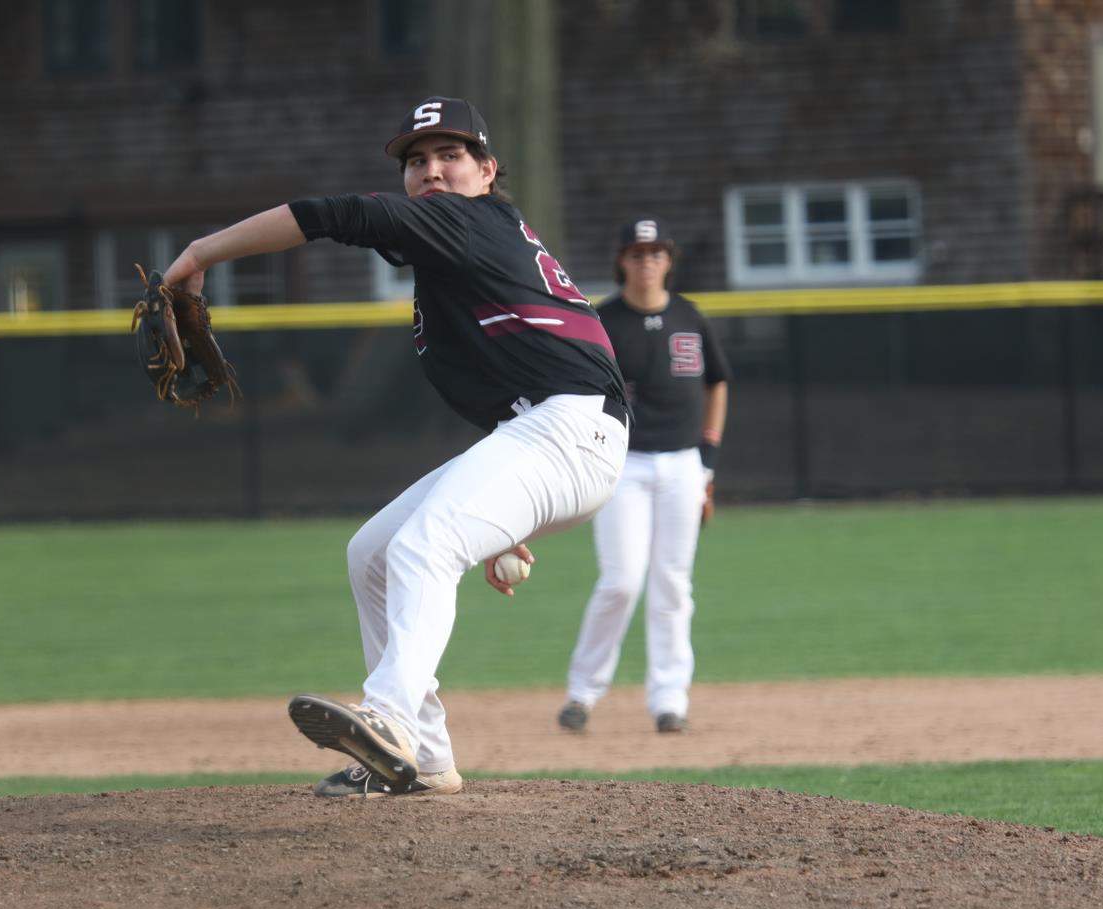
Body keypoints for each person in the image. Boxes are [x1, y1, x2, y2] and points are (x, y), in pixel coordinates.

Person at [163, 96, 629, 798]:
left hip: (571, 430)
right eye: (417, 160)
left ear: (487, 170)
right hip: (548, 433)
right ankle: (429, 758)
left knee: (423, 546)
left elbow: (334, 215)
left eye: (450, 155)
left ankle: (388, 718)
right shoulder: (456, 257)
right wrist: (512, 513)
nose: (431, 171)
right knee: (375, 554)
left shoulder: (467, 221)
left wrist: (201, 254)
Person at [557, 218, 730, 735]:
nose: (647, 261)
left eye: (656, 253)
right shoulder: (603, 320)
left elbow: (718, 383)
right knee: (621, 582)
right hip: (623, 465)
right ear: (622, 261)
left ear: (668, 260)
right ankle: (582, 693)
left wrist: (708, 460)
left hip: (682, 464)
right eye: (637, 253)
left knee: (673, 584)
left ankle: (669, 701)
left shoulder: (690, 316)